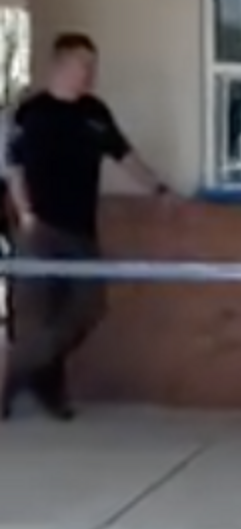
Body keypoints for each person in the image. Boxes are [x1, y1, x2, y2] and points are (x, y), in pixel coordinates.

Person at [3, 31, 173, 420]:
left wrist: (158, 189)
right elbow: (14, 169)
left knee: (87, 308)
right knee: (37, 314)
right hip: (39, 229)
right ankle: (41, 388)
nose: (90, 73)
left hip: (81, 230)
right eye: (83, 64)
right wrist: (25, 213)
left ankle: (18, 373)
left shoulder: (94, 113)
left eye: (92, 65)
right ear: (60, 65)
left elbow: (125, 156)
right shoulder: (32, 112)